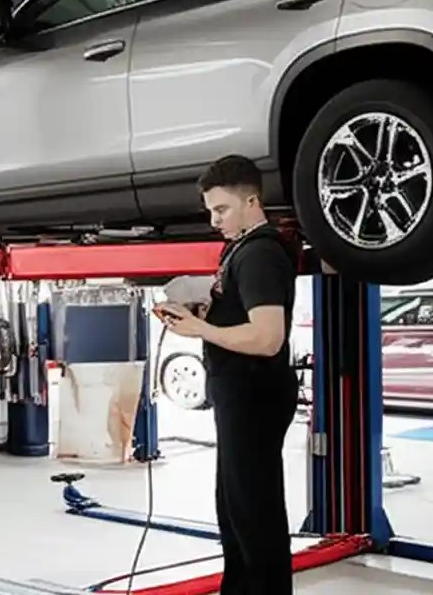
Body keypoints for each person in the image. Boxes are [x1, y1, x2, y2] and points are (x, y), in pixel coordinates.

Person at [157, 154, 300, 595]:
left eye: (221, 210)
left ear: (252, 201)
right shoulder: (239, 247)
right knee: (235, 506)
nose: (215, 220)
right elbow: (243, 315)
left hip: (255, 395)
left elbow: (268, 337)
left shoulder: (258, 254)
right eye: (211, 211)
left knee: (254, 512)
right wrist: (206, 311)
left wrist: (200, 328)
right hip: (241, 395)